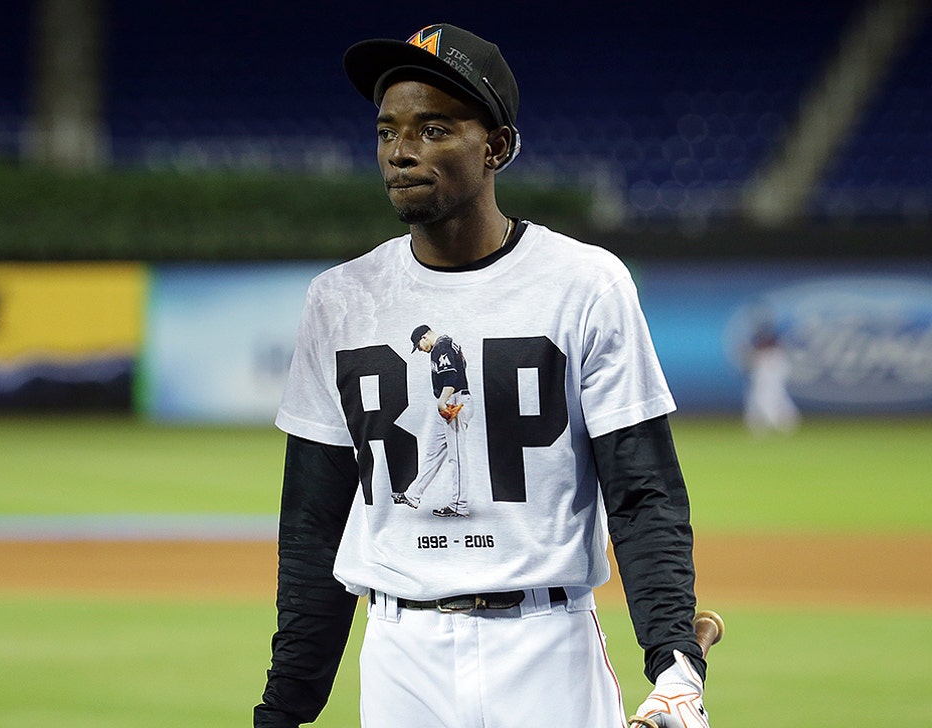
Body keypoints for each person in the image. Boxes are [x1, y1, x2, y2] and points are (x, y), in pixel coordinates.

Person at [254, 23, 708, 728]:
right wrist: (285, 707)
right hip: (400, 655)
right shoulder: (339, 300)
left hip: (546, 649)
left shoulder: (585, 283)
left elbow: (642, 490)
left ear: (495, 147)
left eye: (434, 129)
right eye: (387, 131)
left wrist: (675, 658)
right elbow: (314, 525)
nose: (402, 151)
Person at [396, 324, 475, 517]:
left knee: (456, 456)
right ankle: (413, 495)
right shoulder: (449, 344)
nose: (421, 350)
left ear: (424, 337)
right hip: (455, 400)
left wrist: (442, 402)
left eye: (419, 345)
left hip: (454, 403)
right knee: (434, 452)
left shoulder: (440, 346)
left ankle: (459, 504)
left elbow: (451, 378)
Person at [742, 306, 799, 435]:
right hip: (768, 366)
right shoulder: (759, 332)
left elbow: (770, 346)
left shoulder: (770, 331)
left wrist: (753, 351)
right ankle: (764, 426)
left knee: (766, 397)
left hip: (773, 365)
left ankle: (779, 425)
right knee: (764, 396)